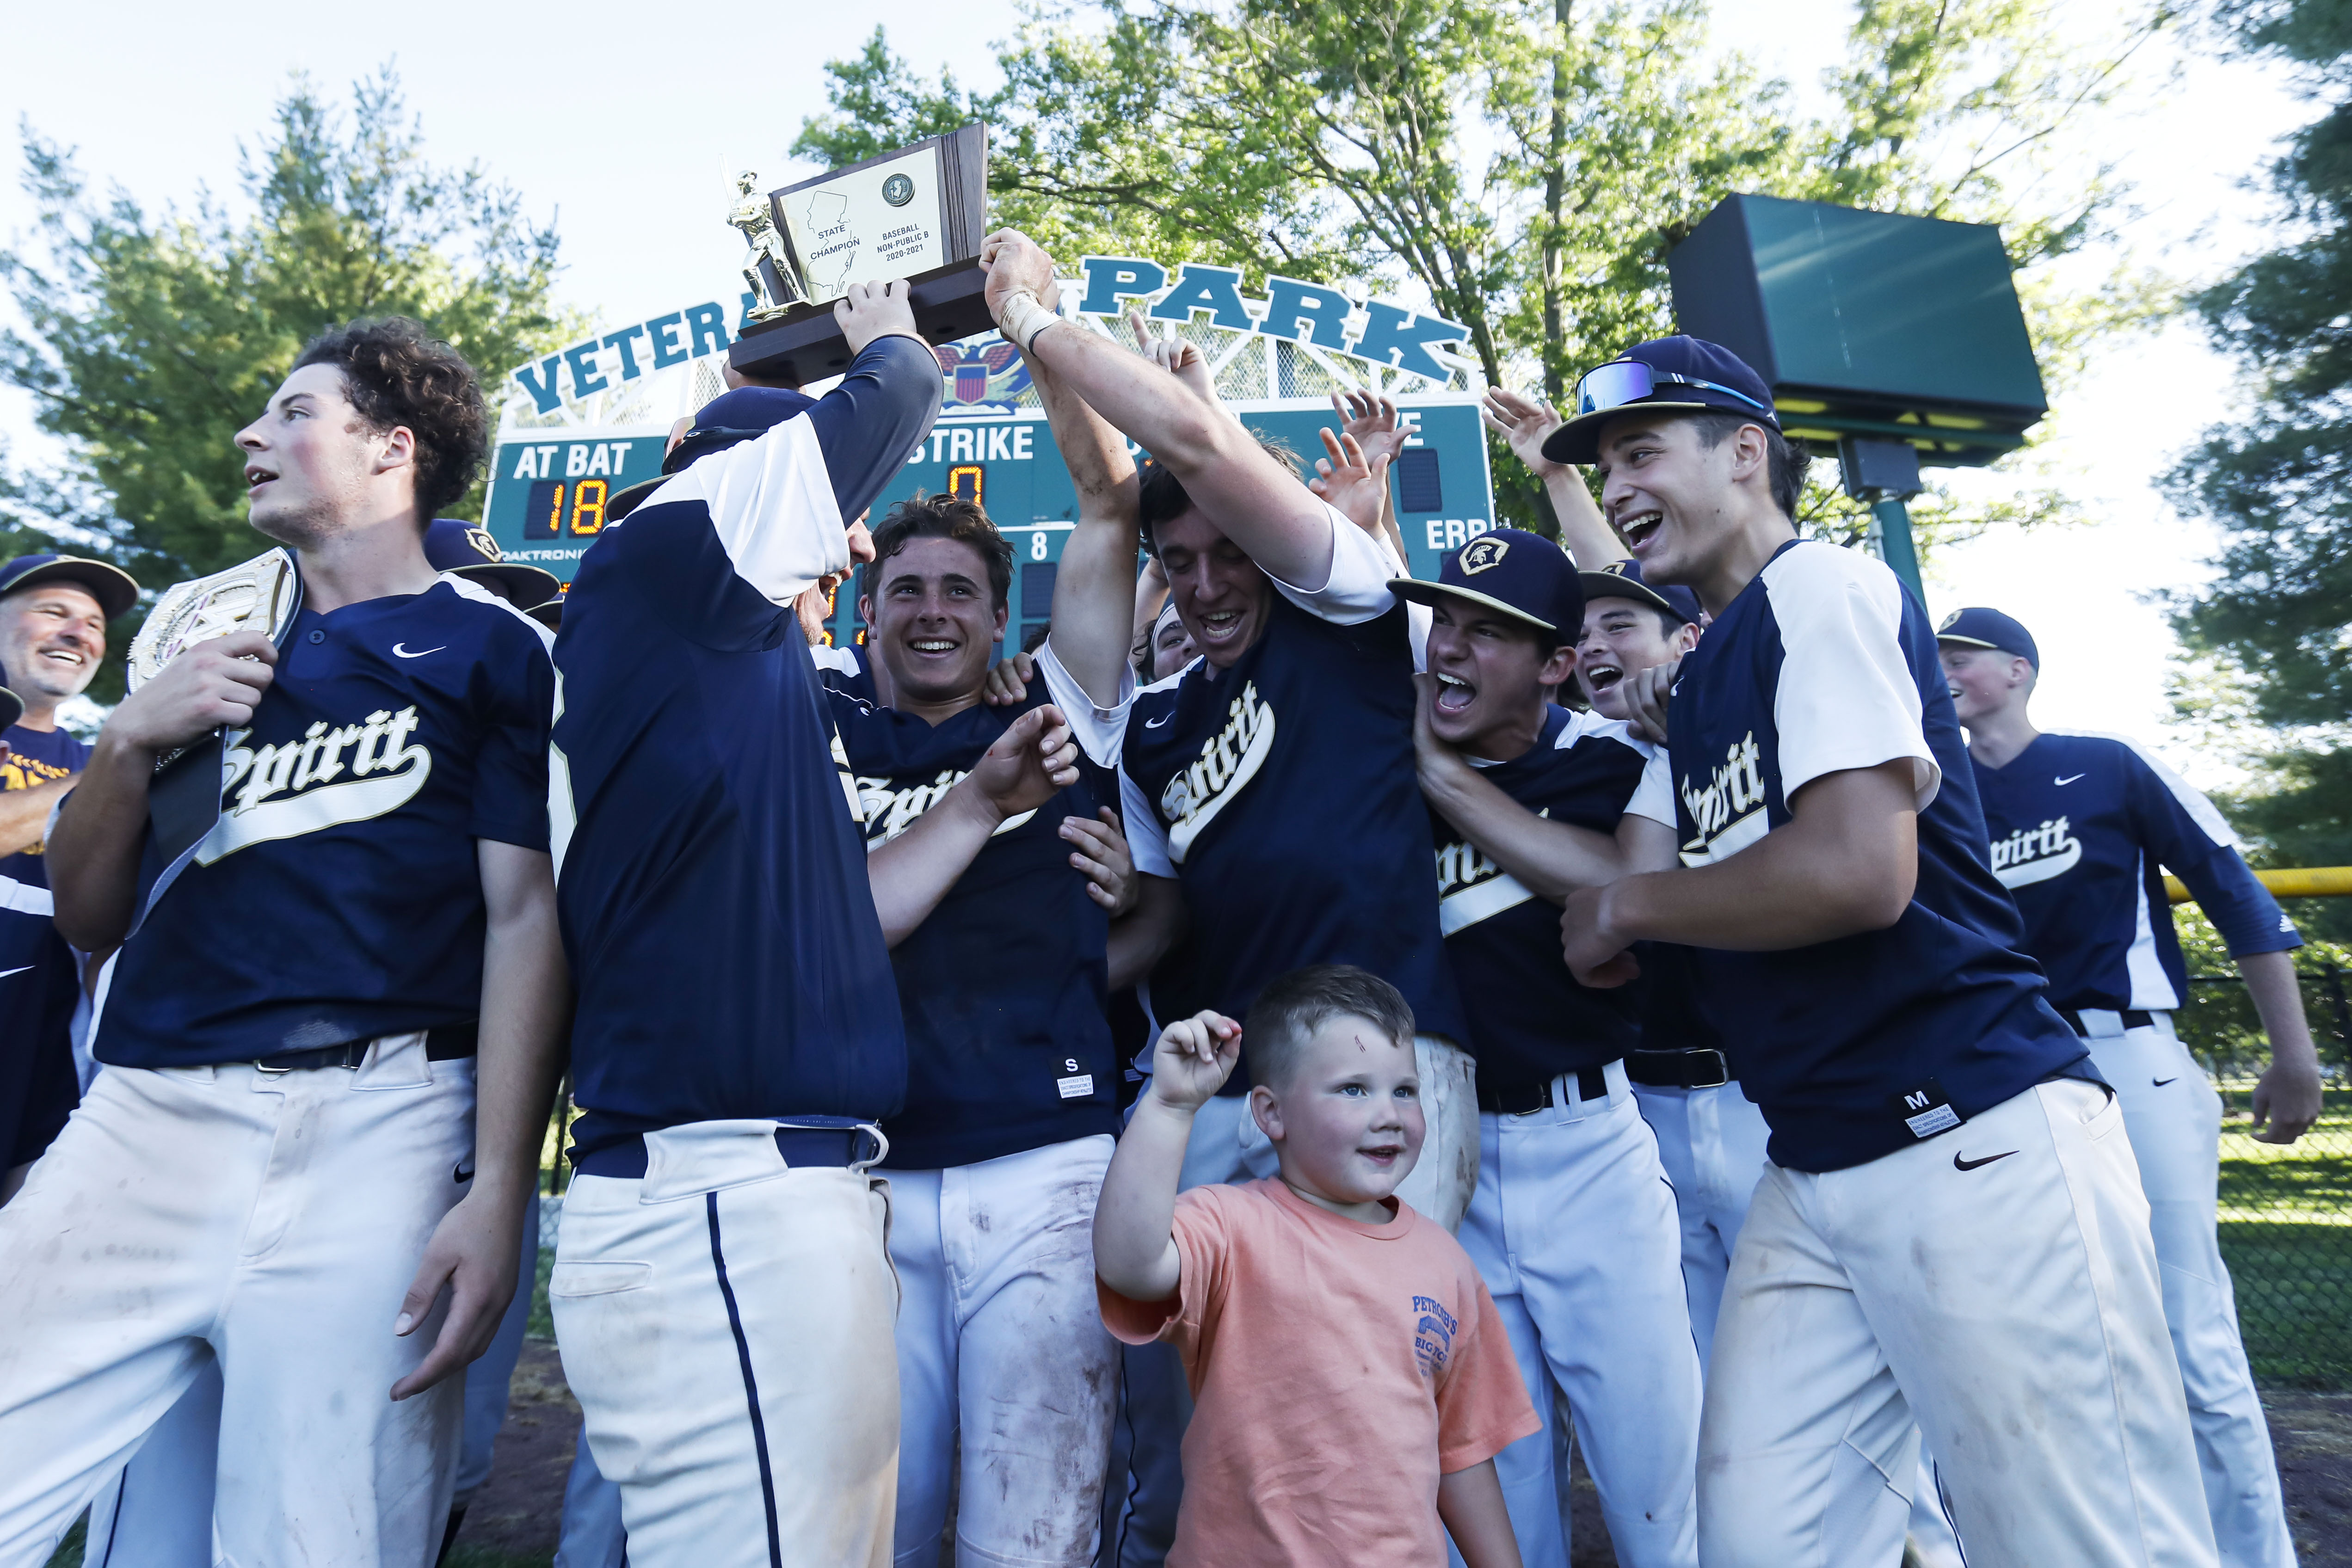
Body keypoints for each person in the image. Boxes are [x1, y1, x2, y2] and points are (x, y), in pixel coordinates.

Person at [1550, 334, 2216, 1566]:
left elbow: (1856, 874)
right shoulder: (1708, 679)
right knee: (1758, 1544)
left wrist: (1632, 910)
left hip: (1972, 1137)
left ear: (1746, 453)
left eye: (1641, 450)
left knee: (2083, 1545)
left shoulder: (1825, 589)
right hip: (1814, 1166)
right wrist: (1662, 745)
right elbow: (1664, 921)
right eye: (1602, 463)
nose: (1619, 483)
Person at [0, 316, 570, 1568]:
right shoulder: (207, 658)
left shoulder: (494, 647)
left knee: (317, 1538)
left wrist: (497, 1190)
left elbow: (526, 920)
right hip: (148, 1112)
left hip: (383, 1119)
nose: (252, 434)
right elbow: (93, 916)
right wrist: (129, 741)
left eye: (294, 411)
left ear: (391, 449)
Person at [549, 279, 1090, 1568]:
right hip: (723, 1185)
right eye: (838, 522)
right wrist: (890, 305)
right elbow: (898, 386)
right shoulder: (668, 549)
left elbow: (843, 921)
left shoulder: (730, 685)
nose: (848, 552)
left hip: (780, 1180)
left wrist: (974, 803)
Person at [831, 328, 1143, 1566]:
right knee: (879, 1533)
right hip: (861, 1179)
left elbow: (1110, 506)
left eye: (959, 590)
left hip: (1046, 1172)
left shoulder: (1054, 705)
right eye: (905, 588)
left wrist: (1036, 335)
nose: (931, 612)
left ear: (1000, 612)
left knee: (1033, 1532)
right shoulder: (817, 733)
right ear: (866, 610)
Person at [1941, 604, 2315, 1568]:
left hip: (2126, 1059)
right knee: (2034, 1345)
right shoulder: (1930, 795)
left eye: (1962, 655)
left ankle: (2254, 1556)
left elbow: (2234, 892)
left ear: (2018, 670)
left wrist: (2292, 1052)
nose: (1941, 668)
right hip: (2003, 1075)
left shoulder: (2104, 762)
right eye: (1931, 656)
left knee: (2189, 1333)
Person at [1398, 534, 1701, 1568]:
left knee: (1656, 1477)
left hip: (1590, 1148)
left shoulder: (1606, 761)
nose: (1451, 649)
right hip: (1442, 1160)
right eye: (1445, 621)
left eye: (1488, 632)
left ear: (1556, 664)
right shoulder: (1377, 757)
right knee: (1491, 1486)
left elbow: (1616, 893)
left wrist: (1445, 782)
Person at [1094, 965, 1537, 1568]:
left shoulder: (1446, 1263)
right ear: (1270, 1114)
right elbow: (1129, 1266)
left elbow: (1460, 1448)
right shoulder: (1231, 1226)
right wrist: (1171, 1107)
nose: (1388, 1114)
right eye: (1353, 1090)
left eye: (1403, 1090)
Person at [0, 551, 134, 1198]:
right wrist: (122, 763)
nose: (78, 633)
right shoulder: (108, 769)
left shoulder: (93, 762)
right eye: (53, 612)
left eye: (94, 625)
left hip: (42, 1059)